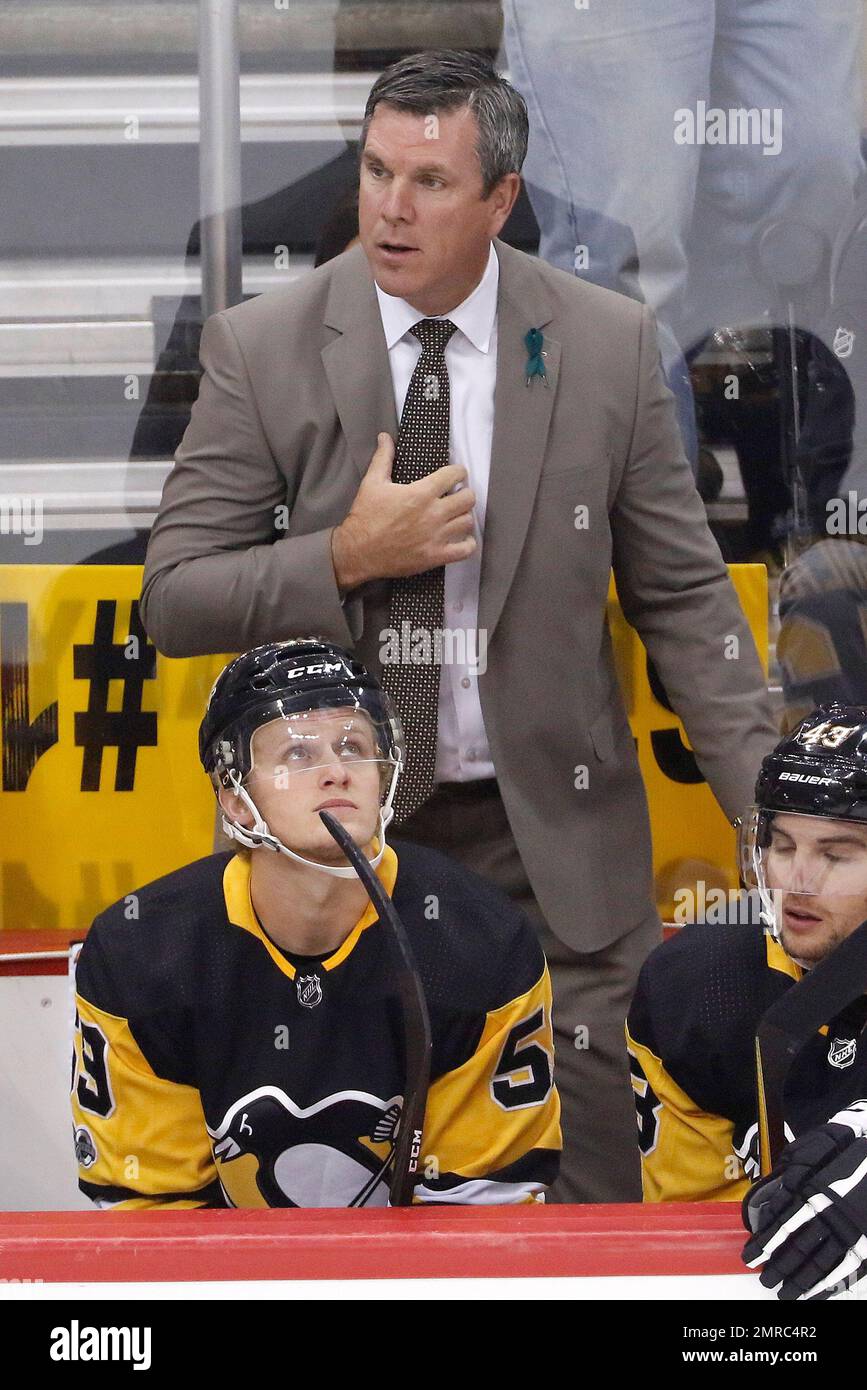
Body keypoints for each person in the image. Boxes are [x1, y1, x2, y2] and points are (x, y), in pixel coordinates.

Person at [139, 50, 776, 1202]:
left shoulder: (607, 345)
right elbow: (175, 594)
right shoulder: (264, 345)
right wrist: (345, 556)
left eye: (430, 181)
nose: (390, 206)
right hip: (345, 855)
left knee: (598, 1211)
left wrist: (768, 812)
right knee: (355, 1206)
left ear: (502, 198)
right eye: (379, 170)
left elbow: (683, 600)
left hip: (560, 855)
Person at [70, 639, 561, 1209]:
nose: (335, 773)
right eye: (298, 755)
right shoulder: (140, 955)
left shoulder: (483, 941)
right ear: (234, 799)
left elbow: (483, 1221)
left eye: (354, 747)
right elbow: (154, 1222)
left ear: (387, 776)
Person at [627, 704, 867, 1299]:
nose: (797, 881)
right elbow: (703, 1234)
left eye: (836, 855)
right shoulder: (694, 984)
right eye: (782, 846)